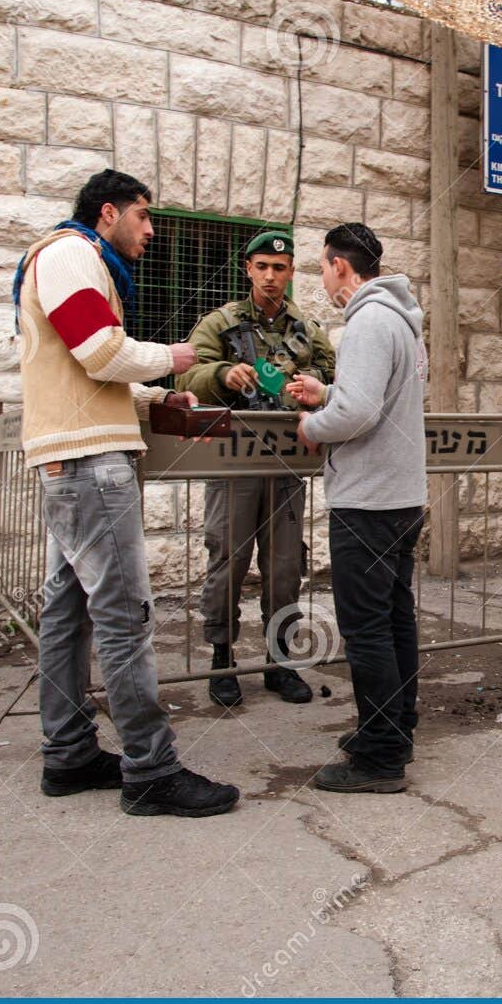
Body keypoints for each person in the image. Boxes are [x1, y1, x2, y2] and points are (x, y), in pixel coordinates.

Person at [14, 168, 239, 817]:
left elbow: (90, 370)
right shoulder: (71, 254)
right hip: (90, 464)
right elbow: (100, 351)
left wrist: (152, 397)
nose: (151, 229)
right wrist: (176, 359)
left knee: (69, 612)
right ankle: (151, 768)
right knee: (125, 615)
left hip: (72, 459)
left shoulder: (72, 259)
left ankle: (68, 752)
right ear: (107, 212)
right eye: (142, 214)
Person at [287, 223, 427, 793]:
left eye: (322, 267)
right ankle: (394, 728)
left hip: (369, 501)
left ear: (340, 265)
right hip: (401, 496)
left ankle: (380, 759)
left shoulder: (367, 321)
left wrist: (313, 425)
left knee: (366, 629)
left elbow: (359, 414)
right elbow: (379, 400)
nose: (322, 279)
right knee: (394, 620)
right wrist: (330, 395)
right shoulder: (400, 320)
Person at [175, 232, 335, 707]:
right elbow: (186, 376)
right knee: (228, 559)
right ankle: (221, 659)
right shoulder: (220, 322)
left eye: (279, 268)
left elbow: (333, 374)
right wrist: (222, 375)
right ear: (248, 269)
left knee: (284, 566)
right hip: (235, 463)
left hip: (285, 463)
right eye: (262, 266)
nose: (270, 276)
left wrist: (309, 383)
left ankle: (279, 661)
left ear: (291, 272)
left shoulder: (307, 329)